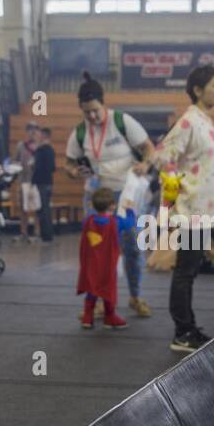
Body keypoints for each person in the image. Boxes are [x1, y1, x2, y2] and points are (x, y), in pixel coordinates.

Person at [65, 73, 155, 318]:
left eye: (95, 110)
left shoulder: (122, 121)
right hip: (97, 197)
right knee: (98, 251)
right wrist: (73, 171)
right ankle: (99, 300)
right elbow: (68, 163)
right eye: (87, 113)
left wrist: (145, 164)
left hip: (127, 195)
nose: (92, 116)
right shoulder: (80, 132)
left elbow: (149, 148)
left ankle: (135, 296)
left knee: (133, 248)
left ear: (103, 103)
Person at [149, 64, 214, 353]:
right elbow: (164, 158)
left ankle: (189, 326)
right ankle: (182, 332)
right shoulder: (189, 121)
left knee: (190, 271)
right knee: (184, 270)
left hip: (204, 211)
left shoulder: (205, 121)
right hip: (191, 211)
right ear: (197, 90)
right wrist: (171, 202)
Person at [77, 185, 136, 330]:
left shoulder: (88, 221)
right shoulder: (116, 222)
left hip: (91, 263)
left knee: (92, 286)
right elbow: (130, 223)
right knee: (108, 288)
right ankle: (110, 317)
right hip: (108, 264)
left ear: (93, 205)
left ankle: (87, 316)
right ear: (113, 205)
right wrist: (129, 210)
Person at [15, 122, 44, 243]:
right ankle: (23, 232)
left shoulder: (41, 147)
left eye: (34, 130)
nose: (32, 133)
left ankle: (37, 232)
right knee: (23, 208)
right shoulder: (21, 146)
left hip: (36, 182)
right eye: (30, 130)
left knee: (36, 207)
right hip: (23, 181)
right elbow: (15, 160)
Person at [32, 127, 55, 242]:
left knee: (43, 210)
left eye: (39, 135)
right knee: (46, 209)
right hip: (48, 182)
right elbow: (53, 168)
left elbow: (37, 168)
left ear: (44, 136)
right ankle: (47, 235)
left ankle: (46, 236)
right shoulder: (51, 150)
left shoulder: (41, 151)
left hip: (41, 183)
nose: (38, 137)